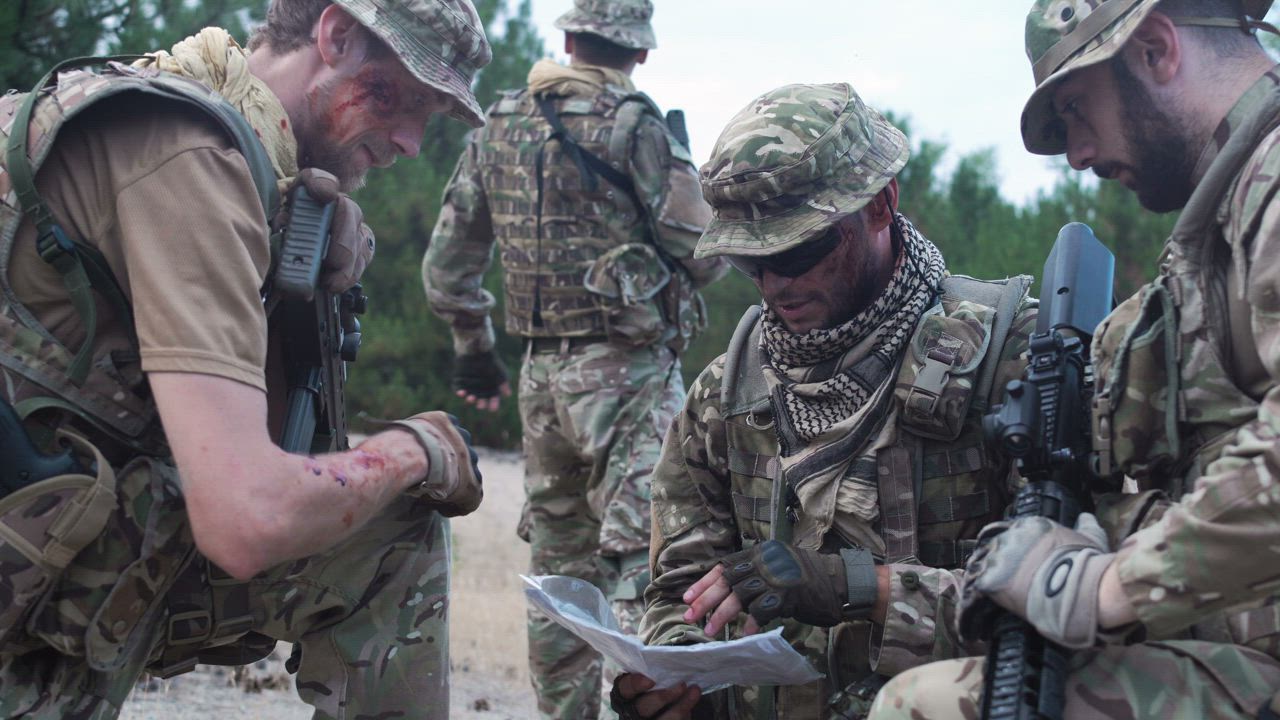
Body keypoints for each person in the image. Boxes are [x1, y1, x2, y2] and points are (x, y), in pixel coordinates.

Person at [0, 1, 491, 717]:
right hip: (27, 588)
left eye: (432, 116)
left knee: (377, 532)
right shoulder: (189, 156)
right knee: (398, 517)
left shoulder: (183, 123)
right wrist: (414, 453)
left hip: (40, 540)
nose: (415, 141)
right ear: (336, 35)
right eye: (401, 96)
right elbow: (246, 519)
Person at [868, 1, 1280, 718]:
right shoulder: (1223, 225)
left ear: (1155, 49)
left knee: (922, 707)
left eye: (1077, 111)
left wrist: (1110, 586)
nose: (1077, 156)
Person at [610, 81, 1040, 720]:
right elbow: (680, 589)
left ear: (880, 205)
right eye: (750, 261)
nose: (776, 283)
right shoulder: (726, 399)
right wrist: (681, 679)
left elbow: (1062, 600)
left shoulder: (1009, 362)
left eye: (800, 248)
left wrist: (861, 589)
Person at [422, 1, 722, 717]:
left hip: (541, 381)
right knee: (643, 557)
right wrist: (688, 176)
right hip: (629, 377)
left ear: (568, 35)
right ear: (639, 52)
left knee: (556, 570)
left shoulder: (498, 123)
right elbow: (704, 256)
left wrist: (475, 353)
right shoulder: (636, 124)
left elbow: (445, 268)